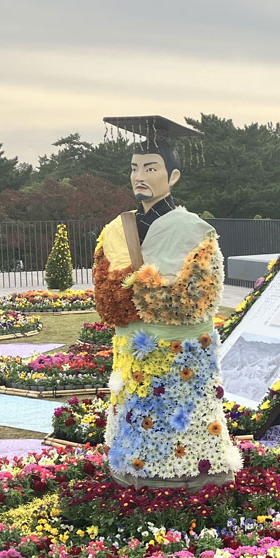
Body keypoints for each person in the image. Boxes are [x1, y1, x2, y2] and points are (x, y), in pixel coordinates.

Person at [92, 115, 242, 488]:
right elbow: (105, 292)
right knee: (134, 410)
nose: (139, 175)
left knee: (182, 412)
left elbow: (199, 297)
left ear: (172, 177)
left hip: (178, 350)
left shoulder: (192, 227)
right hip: (131, 348)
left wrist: (137, 291)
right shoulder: (115, 228)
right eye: (134, 167)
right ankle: (132, 465)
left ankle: (188, 470)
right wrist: (128, 294)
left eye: (151, 167)